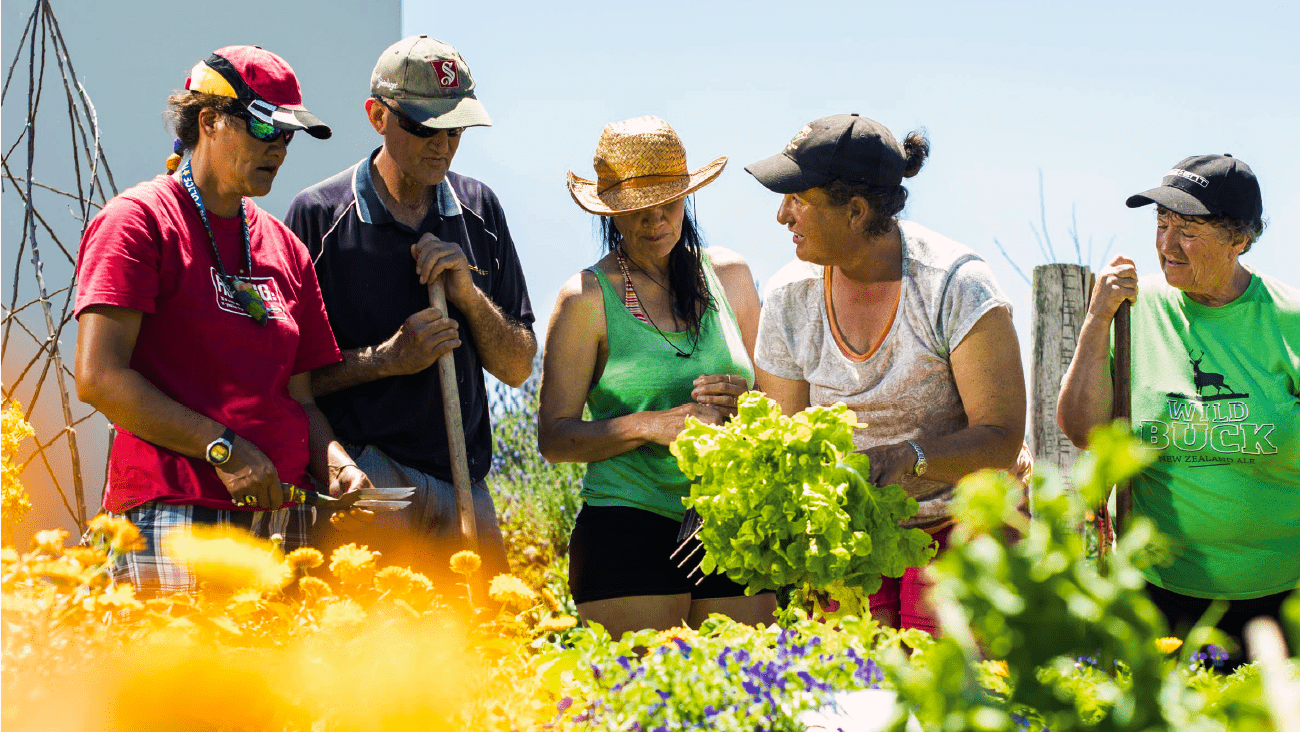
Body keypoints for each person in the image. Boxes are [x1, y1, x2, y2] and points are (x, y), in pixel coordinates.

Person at [73, 46, 365, 592]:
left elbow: (299, 401)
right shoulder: (138, 223)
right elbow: (99, 378)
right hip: (172, 519)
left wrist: (337, 464)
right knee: (178, 680)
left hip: (284, 522)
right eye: (263, 127)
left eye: (287, 134)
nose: (278, 148)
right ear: (208, 120)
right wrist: (224, 449)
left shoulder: (286, 248)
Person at [745, 114, 1028, 634]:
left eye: (798, 199)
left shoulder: (955, 284)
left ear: (854, 211)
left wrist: (909, 458)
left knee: (945, 698)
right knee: (852, 696)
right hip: (854, 530)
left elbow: (1001, 440)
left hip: (964, 521)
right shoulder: (790, 295)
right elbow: (785, 434)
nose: (783, 215)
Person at [285, 36, 535, 583]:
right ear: (377, 115)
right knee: (369, 659)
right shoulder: (318, 217)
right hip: (370, 478)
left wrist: (468, 296)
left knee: (482, 653)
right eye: (425, 127)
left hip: (467, 487)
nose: (443, 146)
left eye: (456, 129)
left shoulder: (480, 211)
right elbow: (288, 380)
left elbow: (518, 367)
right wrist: (386, 359)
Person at [537, 116, 777, 637]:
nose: (655, 221)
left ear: (687, 197)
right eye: (636, 211)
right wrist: (648, 425)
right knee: (643, 709)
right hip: (627, 524)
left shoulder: (731, 276)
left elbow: (775, 409)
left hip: (733, 522)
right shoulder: (585, 300)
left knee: (743, 704)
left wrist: (748, 405)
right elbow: (554, 438)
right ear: (610, 213)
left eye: (668, 203)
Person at [1057, 154, 1298, 660]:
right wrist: (1098, 318)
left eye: (1188, 230)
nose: (1167, 245)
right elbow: (1082, 430)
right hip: (1158, 593)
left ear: (1241, 239)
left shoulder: (1289, 320)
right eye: (1161, 224)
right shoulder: (1133, 310)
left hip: (1282, 593)